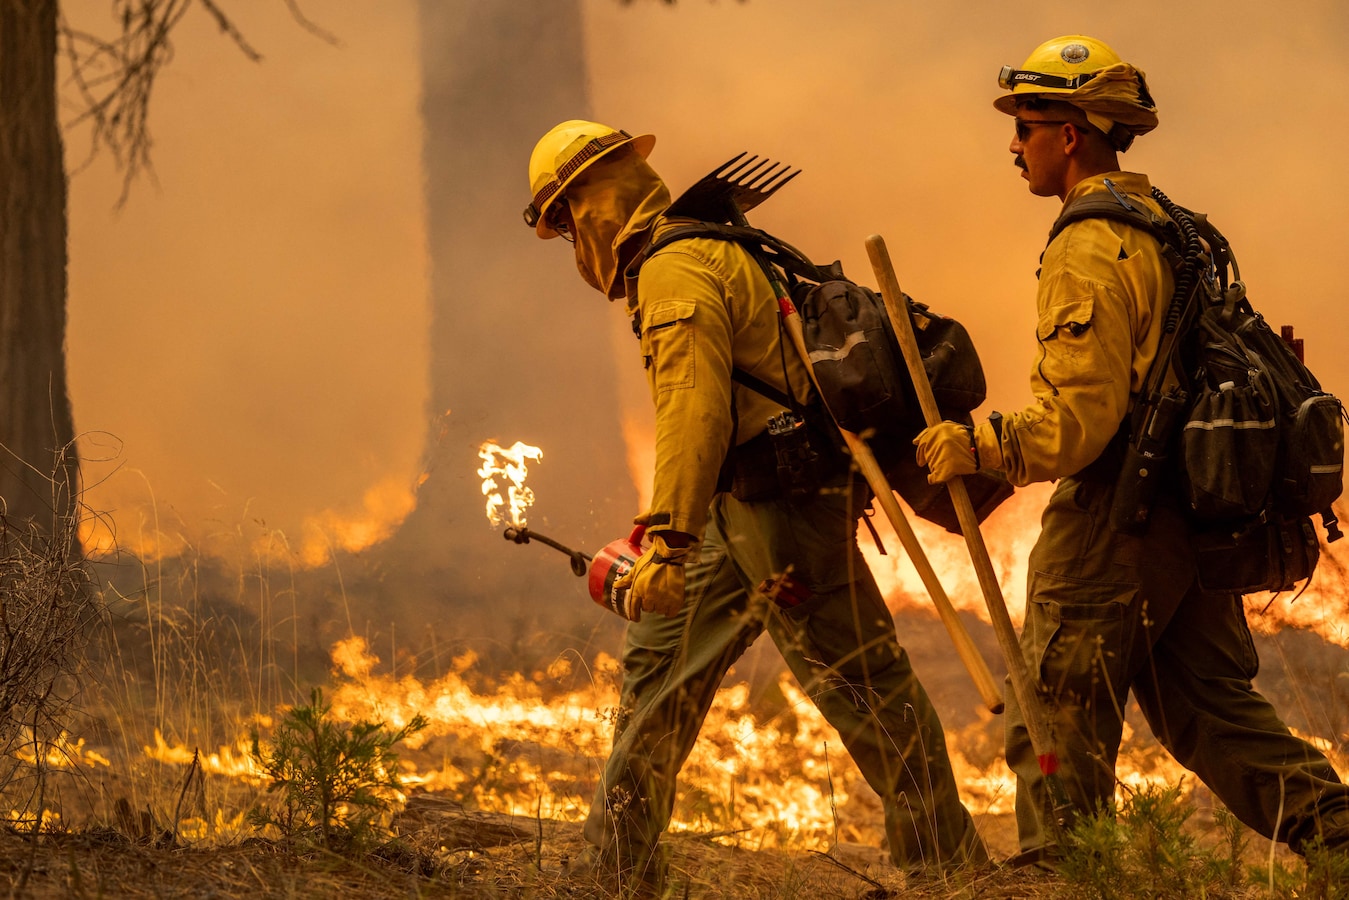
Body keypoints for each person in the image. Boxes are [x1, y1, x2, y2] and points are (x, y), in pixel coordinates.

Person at [914, 34, 1349, 864]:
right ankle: (1340, 839)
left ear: (1068, 134)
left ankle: (1067, 875)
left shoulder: (1088, 242)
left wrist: (976, 444)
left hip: (1118, 519)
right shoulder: (1175, 229)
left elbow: (1077, 421)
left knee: (1054, 709)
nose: (1013, 145)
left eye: (1024, 126)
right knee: (1210, 711)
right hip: (1195, 516)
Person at [523, 120, 988, 891]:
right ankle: (613, 872)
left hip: (784, 515)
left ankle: (951, 871)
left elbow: (693, 411)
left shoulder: (674, 268)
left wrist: (668, 542)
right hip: (734, 509)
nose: (572, 241)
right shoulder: (711, 243)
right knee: (657, 671)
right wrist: (676, 527)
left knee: (862, 686)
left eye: (565, 222)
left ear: (589, 205)